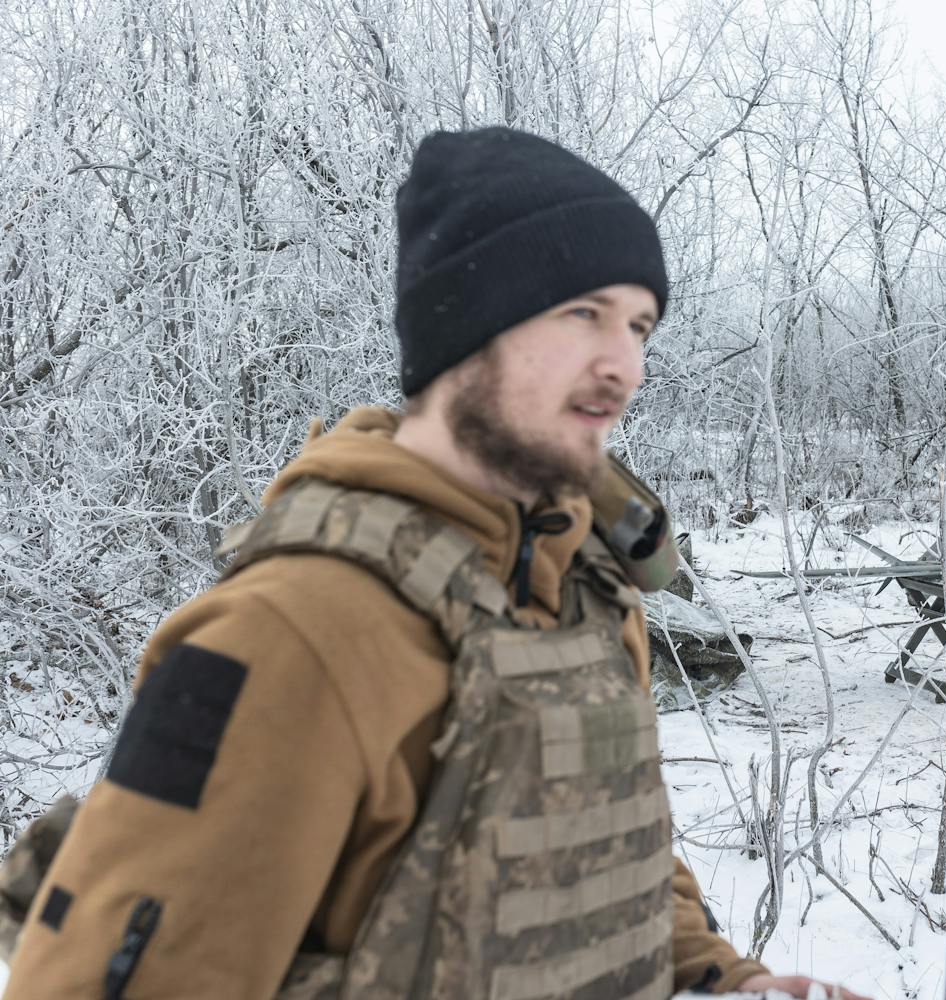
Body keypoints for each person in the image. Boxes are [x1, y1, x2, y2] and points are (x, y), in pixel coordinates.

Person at [1, 127, 869, 1000]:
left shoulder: (590, 586)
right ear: (467, 327)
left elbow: (612, 872)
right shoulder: (295, 628)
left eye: (639, 325)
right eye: (584, 315)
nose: (626, 365)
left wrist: (723, 980)